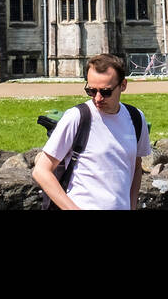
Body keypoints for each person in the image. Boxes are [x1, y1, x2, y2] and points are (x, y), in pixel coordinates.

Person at [32, 54, 151, 210]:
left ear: (123, 85)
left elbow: (135, 166)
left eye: (106, 92)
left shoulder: (136, 117)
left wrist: (132, 205)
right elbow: (41, 171)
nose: (98, 98)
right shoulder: (77, 117)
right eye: (91, 91)